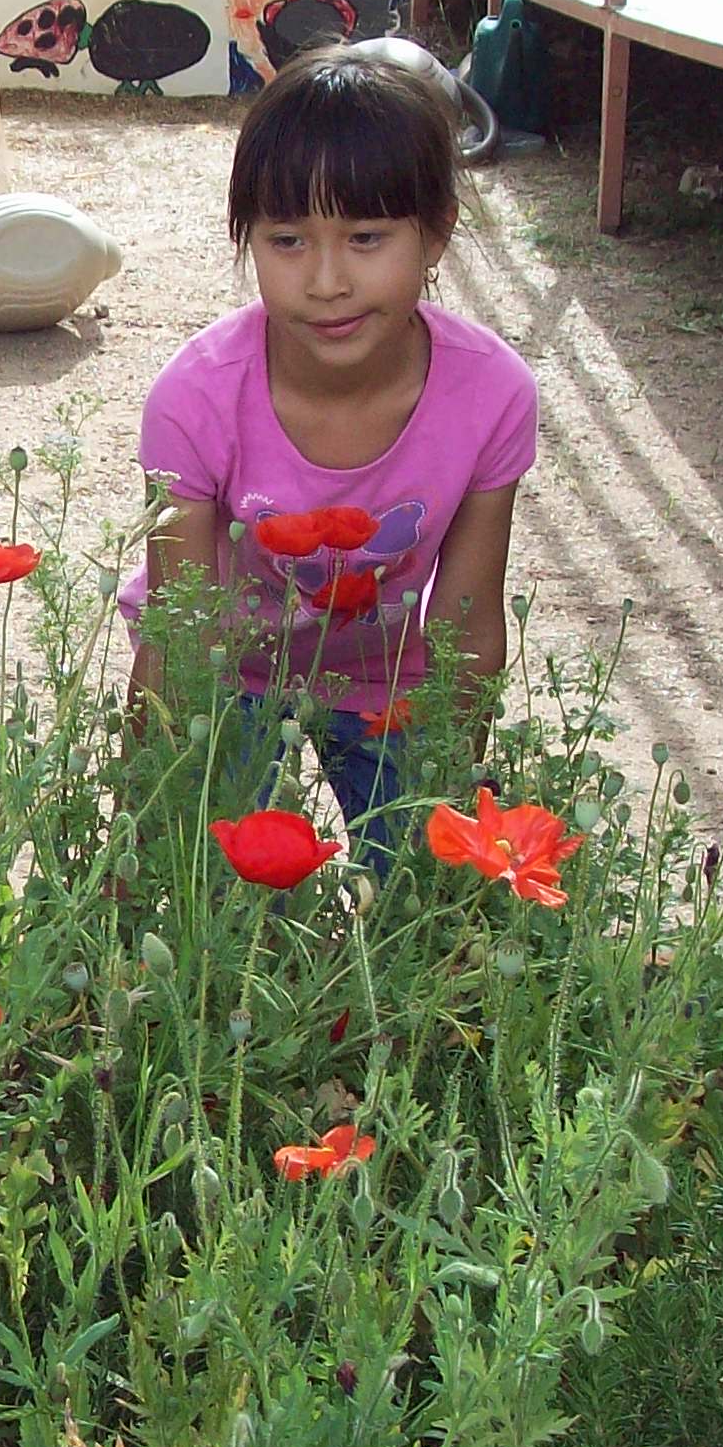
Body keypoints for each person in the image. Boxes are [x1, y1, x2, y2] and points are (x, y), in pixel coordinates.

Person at [121, 48, 537, 860]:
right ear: (246, 241)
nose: (326, 280)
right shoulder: (196, 398)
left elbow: (470, 626)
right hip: (227, 677)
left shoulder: (493, 396)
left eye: (367, 236)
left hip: (395, 683)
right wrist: (144, 832)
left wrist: (448, 814)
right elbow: (177, 636)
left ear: (437, 236)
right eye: (286, 239)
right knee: (211, 899)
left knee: (415, 911)